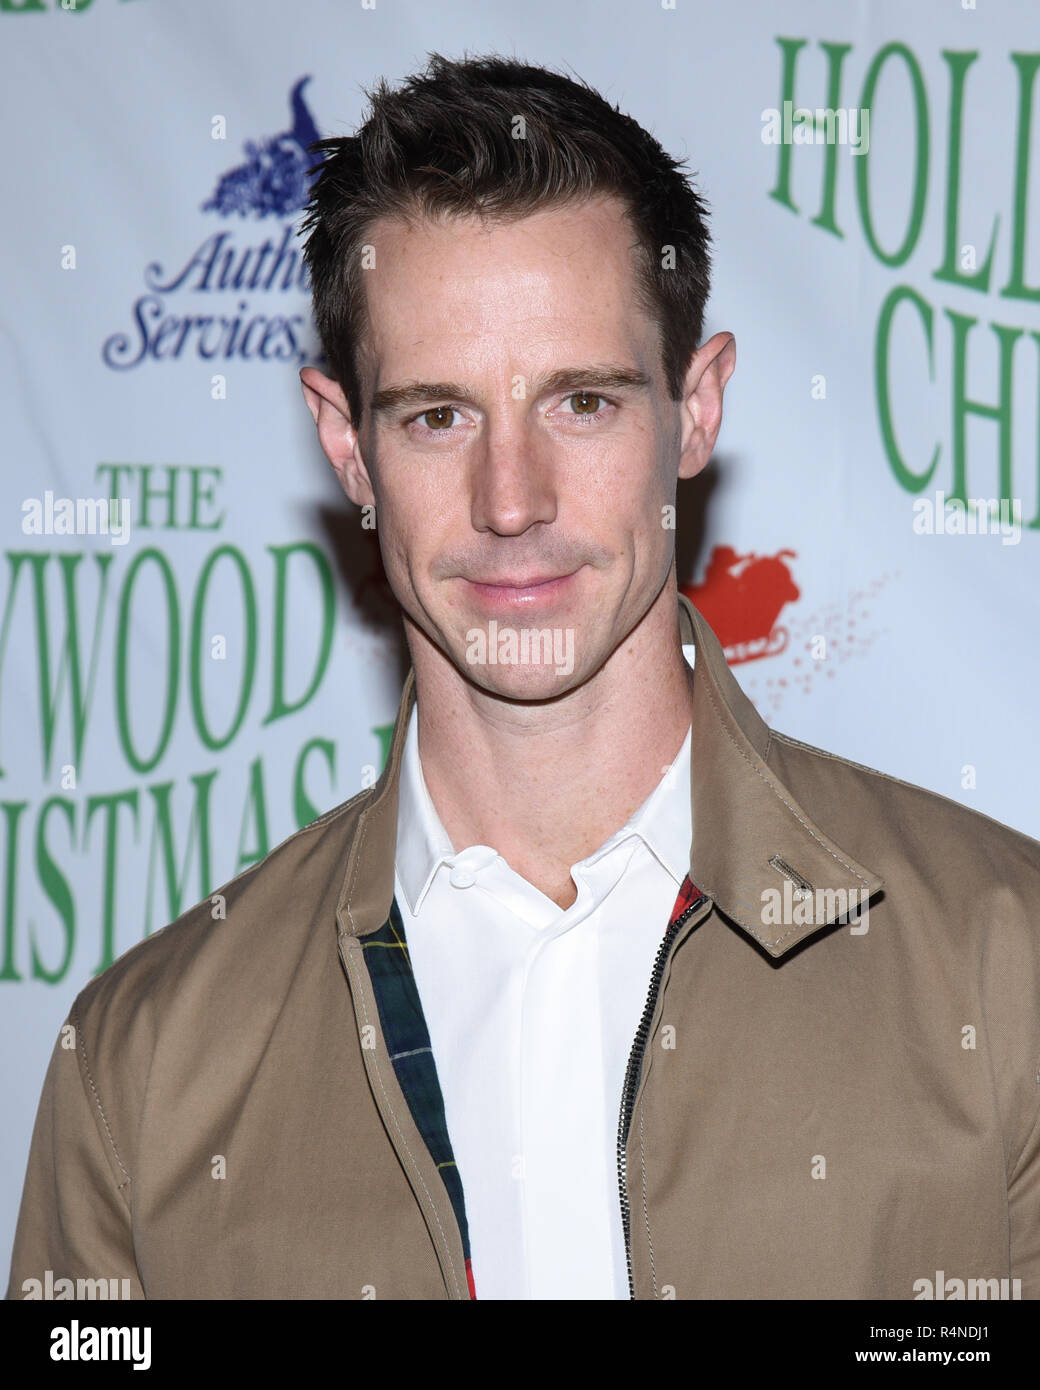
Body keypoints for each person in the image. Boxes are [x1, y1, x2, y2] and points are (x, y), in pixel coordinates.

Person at [8, 52, 1040, 1303]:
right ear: (346, 443)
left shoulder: (1003, 968)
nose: (511, 501)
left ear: (696, 408)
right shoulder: (144, 1066)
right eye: (437, 415)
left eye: (582, 403)